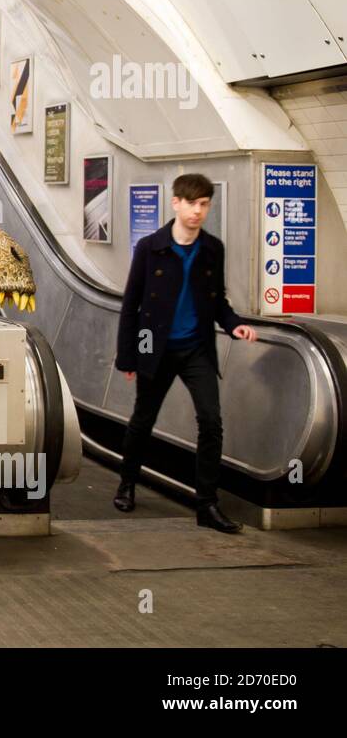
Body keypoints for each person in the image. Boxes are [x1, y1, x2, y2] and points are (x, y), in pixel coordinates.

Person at [113, 173, 259, 532]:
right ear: (175, 203)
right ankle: (127, 483)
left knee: (211, 421)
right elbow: (132, 305)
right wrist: (129, 357)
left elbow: (217, 301)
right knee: (143, 419)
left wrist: (233, 324)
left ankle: (207, 505)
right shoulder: (150, 247)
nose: (197, 211)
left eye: (204, 204)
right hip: (155, 347)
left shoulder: (212, 249)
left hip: (196, 348)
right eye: (191, 203)